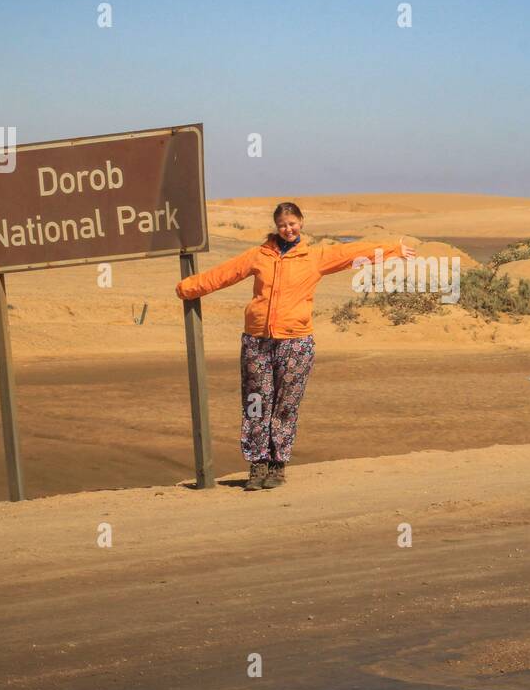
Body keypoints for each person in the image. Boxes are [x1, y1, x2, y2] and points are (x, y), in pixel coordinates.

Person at [175, 202, 416, 491]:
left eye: (292, 223)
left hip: (296, 343)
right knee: (255, 404)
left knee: (286, 406)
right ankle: (257, 465)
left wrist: (393, 249)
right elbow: (226, 273)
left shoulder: (314, 257)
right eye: (282, 225)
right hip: (257, 342)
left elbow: (352, 252)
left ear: (301, 222)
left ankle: (278, 466)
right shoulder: (259, 255)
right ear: (276, 226)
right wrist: (188, 288)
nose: (288, 229)